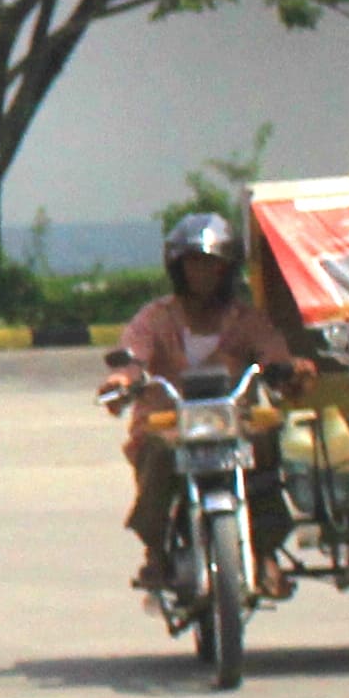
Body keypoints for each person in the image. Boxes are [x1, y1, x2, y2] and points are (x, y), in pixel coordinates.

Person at [100, 211, 302, 597]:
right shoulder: (156, 318)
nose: (203, 273)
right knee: (157, 454)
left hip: (234, 424)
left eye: (212, 264)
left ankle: (265, 552)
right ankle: (156, 552)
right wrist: (123, 379)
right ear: (178, 268)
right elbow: (133, 353)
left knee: (266, 448)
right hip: (170, 427)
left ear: (228, 269)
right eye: (194, 263)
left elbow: (272, 350)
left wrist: (285, 369)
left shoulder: (247, 320)